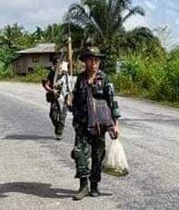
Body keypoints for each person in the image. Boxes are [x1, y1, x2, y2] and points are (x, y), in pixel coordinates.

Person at [71, 46, 120, 200]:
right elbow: (75, 100)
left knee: (98, 155)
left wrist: (115, 125)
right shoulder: (80, 79)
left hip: (99, 126)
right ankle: (83, 186)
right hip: (82, 124)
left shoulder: (105, 79)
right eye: (90, 60)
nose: (93, 63)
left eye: (96, 60)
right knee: (80, 154)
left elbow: (112, 103)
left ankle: (94, 186)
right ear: (85, 62)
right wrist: (69, 100)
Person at [42, 54, 70, 140]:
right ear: (54, 65)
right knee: (53, 116)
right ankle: (58, 127)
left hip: (64, 97)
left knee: (62, 116)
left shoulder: (66, 73)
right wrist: (52, 90)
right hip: (55, 97)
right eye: (57, 64)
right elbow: (46, 85)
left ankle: (59, 133)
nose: (59, 65)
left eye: (61, 63)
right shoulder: (52, 74)